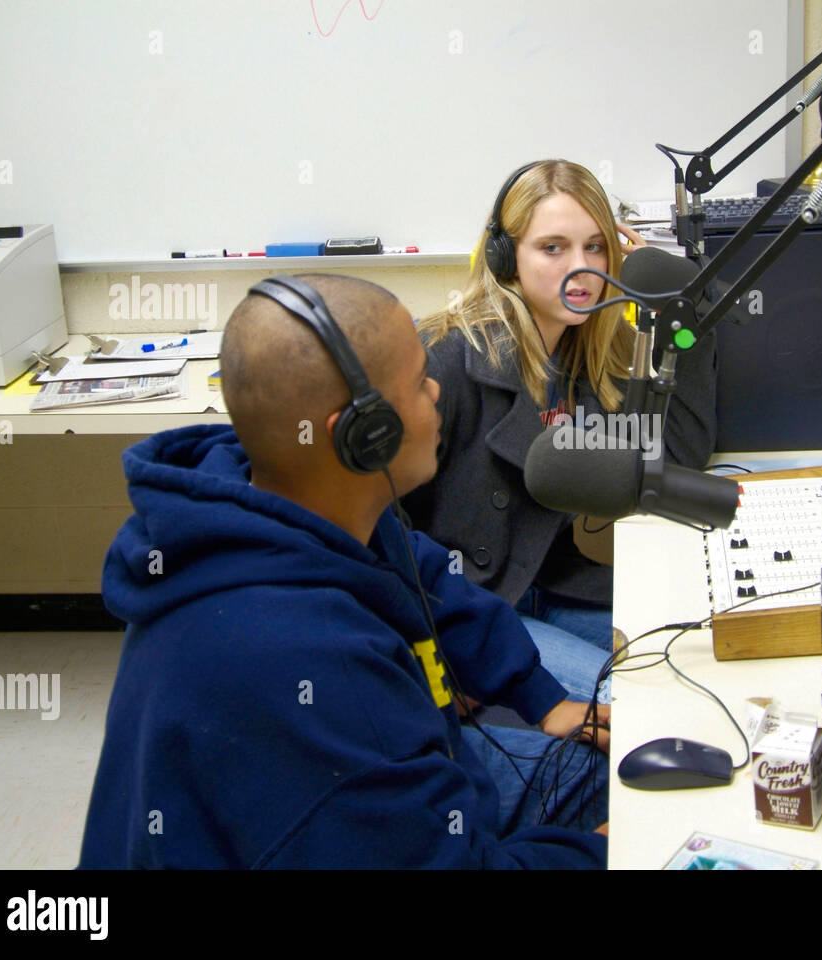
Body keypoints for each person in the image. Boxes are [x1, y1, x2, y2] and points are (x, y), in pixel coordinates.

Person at [79, 274, 609, 869]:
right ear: (363, 436)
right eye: (417, 383)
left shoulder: (296, 506)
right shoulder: (313, 664)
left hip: (379, 798)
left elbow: (429, 578)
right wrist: (611, 851)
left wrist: (541, 697)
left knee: (602, 774)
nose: (438, 390)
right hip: (360, 820)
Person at [406, 160, 717, 655]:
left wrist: (683, 312)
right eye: (553, 248)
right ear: (505, 258)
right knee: (626, 692)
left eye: (595, 247)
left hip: (551, 587)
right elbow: (376, 523)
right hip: (469, 607)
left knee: (686, 649)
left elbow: (674, 455)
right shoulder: (442, 357)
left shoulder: (589, 351)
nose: (582, 268)